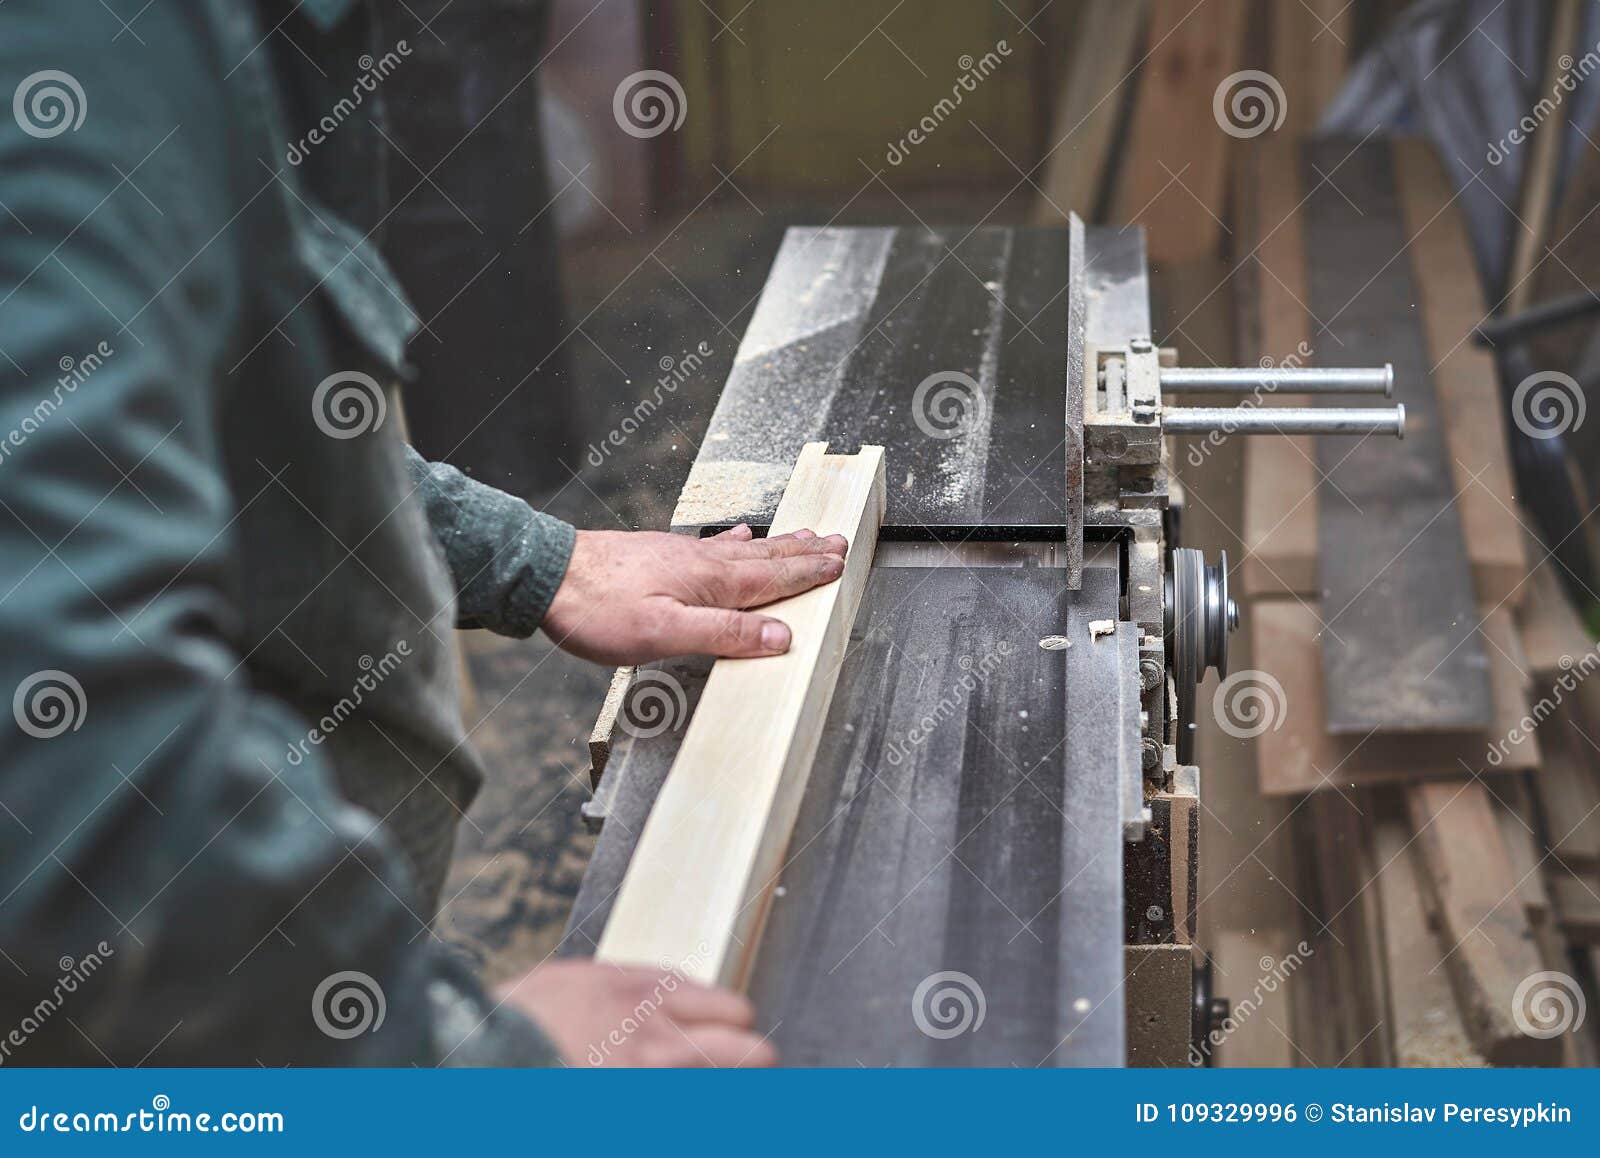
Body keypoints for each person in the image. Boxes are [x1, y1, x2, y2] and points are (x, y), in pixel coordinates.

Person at [0, 0, 844, 1065]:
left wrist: (540, 560)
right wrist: (462, 1067)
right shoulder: (85, 48)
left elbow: (223, 432)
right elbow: (64, 749)